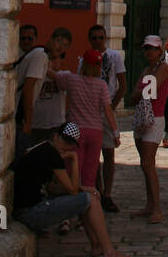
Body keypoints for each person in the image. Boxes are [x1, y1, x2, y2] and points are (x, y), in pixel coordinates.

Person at [12, 122, 129, 257]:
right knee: (89, 200)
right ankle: (109, 252)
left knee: (83, 198)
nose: (66, 146)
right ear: (56, 136)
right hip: (32, 212)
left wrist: (81, 188)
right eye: (65, 141)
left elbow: (53, 188)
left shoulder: (42, 148)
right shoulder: (52, 154)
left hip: (24, 209)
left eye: (69, 143)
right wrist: (74, 159)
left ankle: (96, 245)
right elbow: (72, 189)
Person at [46, 50, 121, 192]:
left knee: (72, 166)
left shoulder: (71, 79)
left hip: (75, 130)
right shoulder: (101, 85)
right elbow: (108, 110)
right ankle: (89, 200)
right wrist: (115, 133)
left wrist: (47, 62)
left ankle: (69, 197)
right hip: (95, 131)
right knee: (91, 170)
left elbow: (51, 74)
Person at [77, 24, 126, 211]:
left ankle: (107, 194)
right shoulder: (84, 59)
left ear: (105, 38)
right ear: (90, 39)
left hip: (106, 111)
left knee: (109, 153)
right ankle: (97, 189)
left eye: (101, 37)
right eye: (94, 38)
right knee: (92, 155)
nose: (98, 41)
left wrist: (112, 107)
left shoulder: (114, 56)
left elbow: (122, 84)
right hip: (90, 112)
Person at [130, 35, 168, 222]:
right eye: (146, 48)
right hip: (142, 117)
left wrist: (140, 93)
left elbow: (149, 91)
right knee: (144, 164)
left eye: (152, 48)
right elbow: (133, 96)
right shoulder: (146, 69)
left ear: (159, 51)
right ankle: (149, 205)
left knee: (148, 163)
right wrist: (140, 93)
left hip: (155, 118)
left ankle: (157, 209)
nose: (148, 51)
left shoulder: (164, 68)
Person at [31, 29, 71, 144]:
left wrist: (46, 69)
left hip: (55, 124)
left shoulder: (65, 75)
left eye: (55, 59)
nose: (53, 62)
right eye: (51, 58)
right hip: (36, 123)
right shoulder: (37, 71)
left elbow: (63, 81)